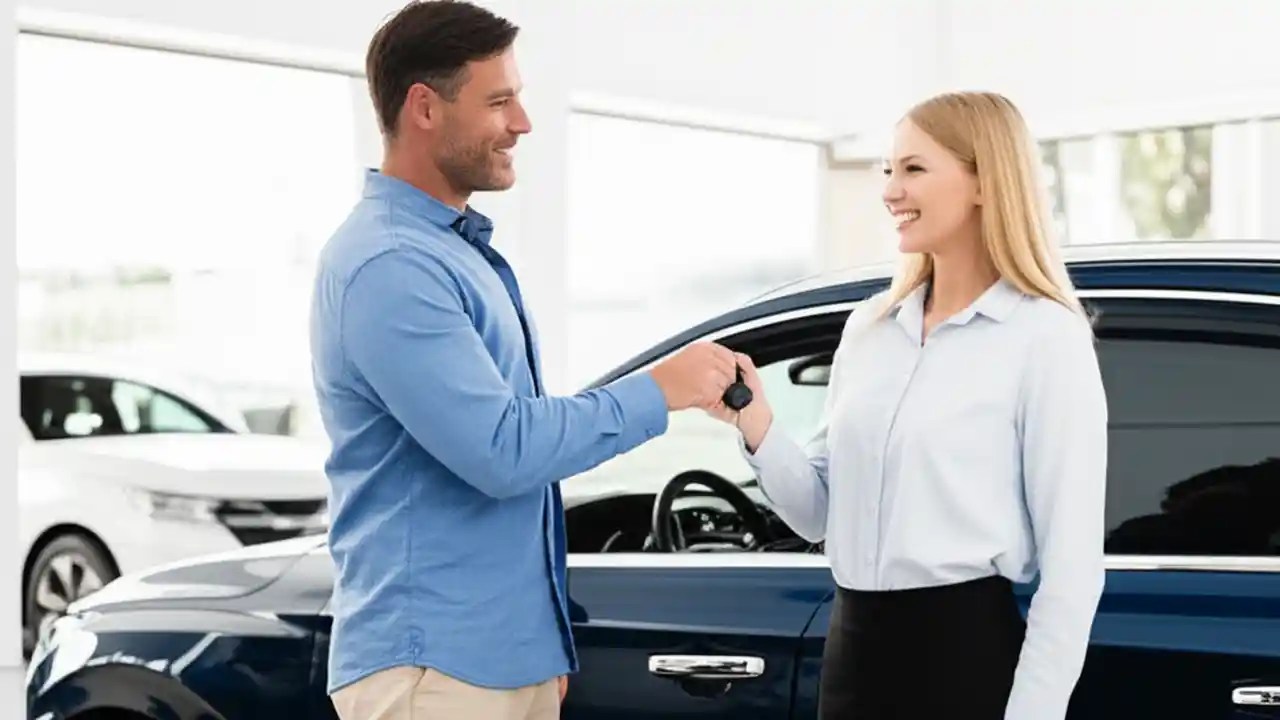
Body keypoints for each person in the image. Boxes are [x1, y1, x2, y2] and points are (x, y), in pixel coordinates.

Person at [308, 2, 738, 718]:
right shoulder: (390, 265)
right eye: (499, 100)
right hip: (435, 669)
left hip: (492, 663)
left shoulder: (448, 253)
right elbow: (503, 448)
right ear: (423, 107)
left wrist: (536, 650)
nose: (523, 123)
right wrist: (659, 391)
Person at [708, 91, 1108, 720]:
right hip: (853, 656)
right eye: (887, 170)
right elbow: (818, 515)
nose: (890, 190)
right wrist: (756, 421)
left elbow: (1072, 572)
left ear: (984, 181)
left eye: (914, 169)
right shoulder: (870, 329)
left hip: (963, 662)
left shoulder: (1043, 337)